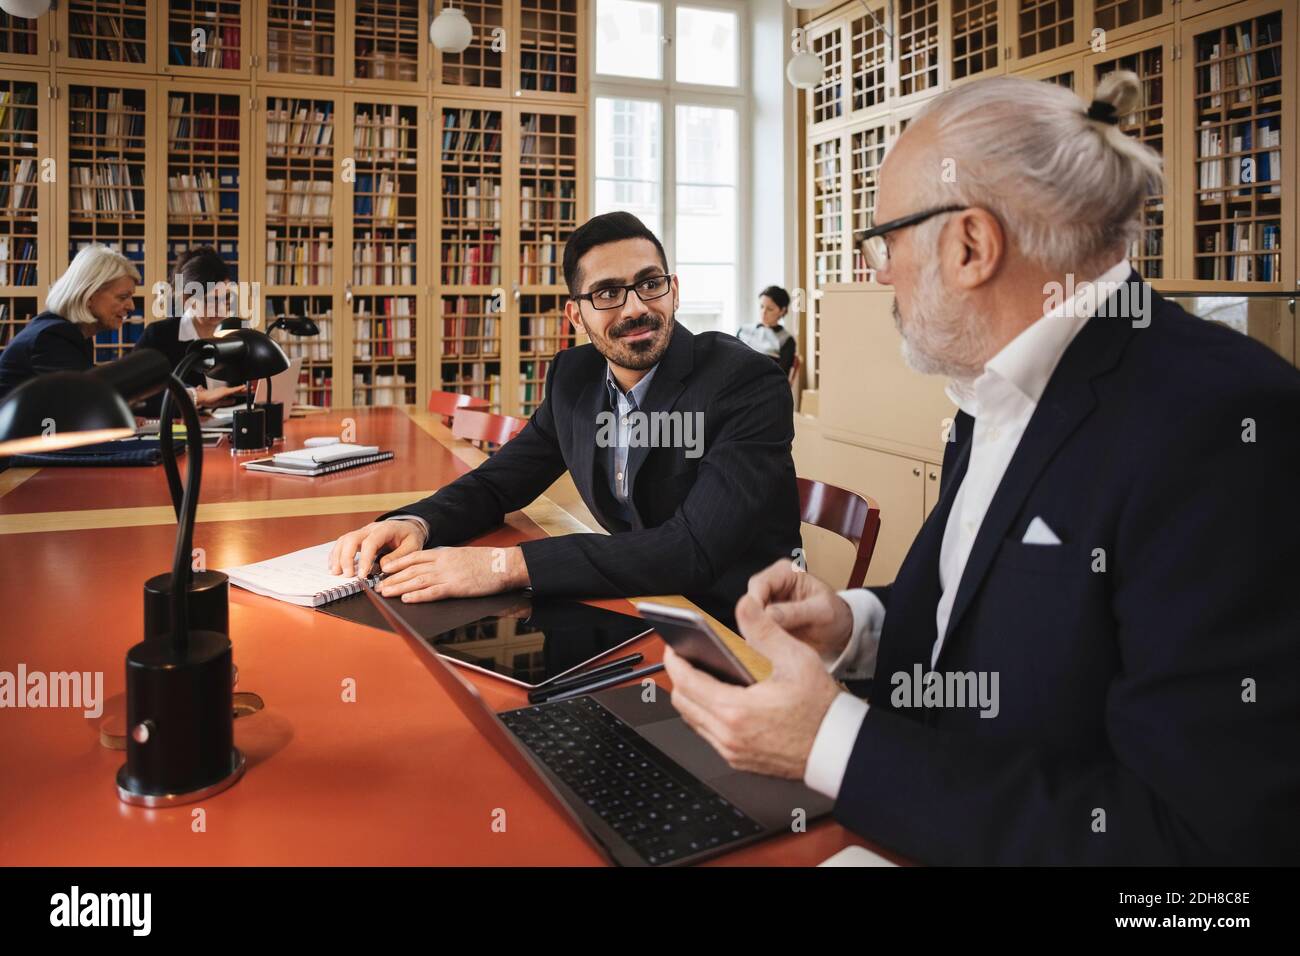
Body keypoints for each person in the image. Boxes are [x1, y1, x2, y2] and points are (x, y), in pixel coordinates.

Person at [661, 72, 1300, 864]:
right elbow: (1020, 616)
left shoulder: (1222, 423)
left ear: (969, 245)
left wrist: (833, 744)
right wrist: (858, 626)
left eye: (885, 240)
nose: (878, 272)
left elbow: (1201, 865)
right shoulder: (994, 389)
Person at [329, 211, 801, 629]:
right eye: (608, 293)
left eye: (650, 284)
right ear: (577, 314)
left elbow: (692, 548)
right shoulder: (573, 379)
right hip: (638, 605)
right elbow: (499, 483)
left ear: (673, 291)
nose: (636, 307)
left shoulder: (744, 382)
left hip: (741, 628)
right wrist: (419, 523)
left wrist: (501, 566)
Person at [0, 244, 139, 400]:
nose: (131, 306)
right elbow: (86, 398)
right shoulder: (51, 337)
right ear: (89, 294)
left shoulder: (71, 333)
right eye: (122, 297)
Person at [131, 246, 245, 416]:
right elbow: (137, 396)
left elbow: (240, 394)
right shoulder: (159, 335)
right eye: (212, 300)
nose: (222, 308)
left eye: (226, 298)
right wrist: (196, 397)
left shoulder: (236, 333)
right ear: (187, 299)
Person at [737, 286, 796, 375]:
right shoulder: (743, 330)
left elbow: (781, 375)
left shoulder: (786, 340)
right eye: (761, 306)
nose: (763, 312)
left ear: (782, 311)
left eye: (770, 309)